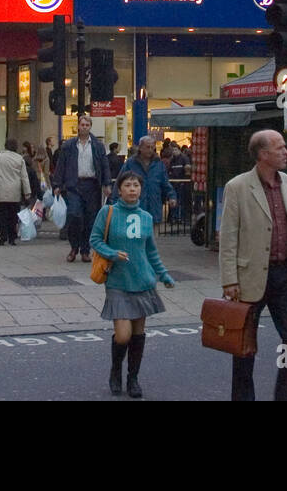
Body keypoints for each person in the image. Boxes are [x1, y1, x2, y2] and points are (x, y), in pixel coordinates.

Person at [219, 129, 287, 401]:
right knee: (244, 346)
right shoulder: (237, 187)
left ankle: (284, 394)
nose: (286, 152)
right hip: (250, 276)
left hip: (284, 274)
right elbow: (229, 236)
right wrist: (229, 279)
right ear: (263, 154)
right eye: (280, 148)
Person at [92, 169, 175, 398]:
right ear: (119, 189)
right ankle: (115, 371)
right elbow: (95, 239)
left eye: (136, 186)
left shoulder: (146, 217)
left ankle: (133, 378)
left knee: (138, 334)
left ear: (140, 189)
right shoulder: (108, 212)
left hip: (143, 282)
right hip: (118, 282)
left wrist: (164, 275)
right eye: (127, 185)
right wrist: (111, 253)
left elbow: (151, 252)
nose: (132, 189)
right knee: (123, 335)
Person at [52, 115, 109, 263]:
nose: (84, 127)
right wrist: (57, 185)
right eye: (82, 124)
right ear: (78, 126)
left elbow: (104, 165)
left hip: (92, 185)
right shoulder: (69, 145)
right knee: (74, 215)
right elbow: (61, 165)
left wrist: (107, 184)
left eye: (87, 125)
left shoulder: (97, 145)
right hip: (74, 185)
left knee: (90, 219)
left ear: (90, 127)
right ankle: (73, 247)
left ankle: (85, 250)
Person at [118, 136, 177, 223]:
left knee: (153, 231)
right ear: (140, 147)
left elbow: (165, 183)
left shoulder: (159, 164)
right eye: (147, 147)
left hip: (154, 207)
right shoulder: (130, 163)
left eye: (152, 147)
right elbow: (120, 182)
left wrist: (172, 196)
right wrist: (115, 201)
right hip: (134, 208)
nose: (150, 150)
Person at [0, 138, 33, 246]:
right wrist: (27, 192)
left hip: (0, 191)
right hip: (14, 192)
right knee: (13, 216)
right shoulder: (19, 159)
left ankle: (3, 236)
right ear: (16, 147)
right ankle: (12, 237)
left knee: (0, 215)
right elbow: (24, 177)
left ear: (5, 145)